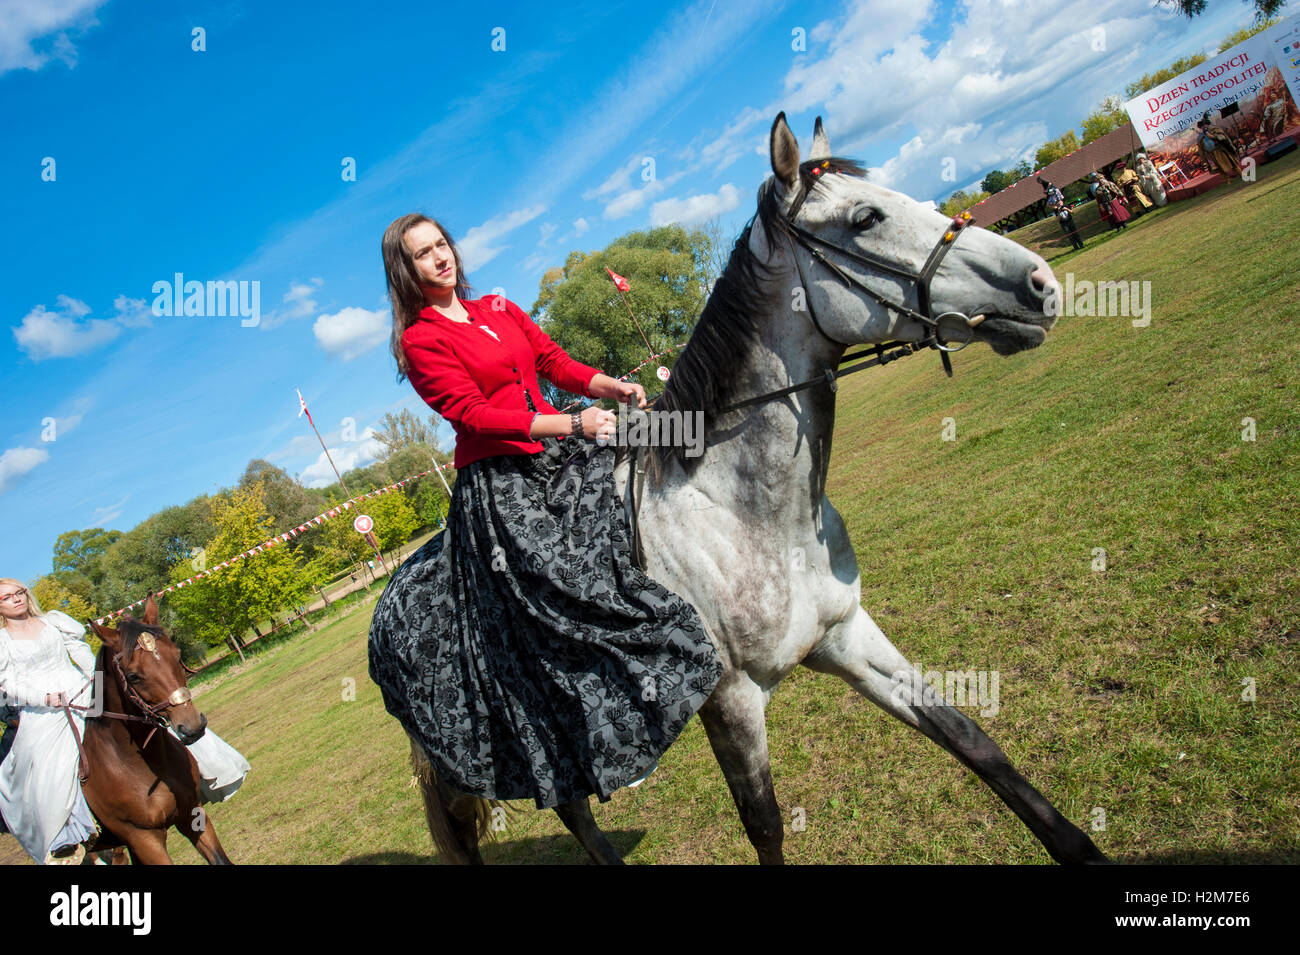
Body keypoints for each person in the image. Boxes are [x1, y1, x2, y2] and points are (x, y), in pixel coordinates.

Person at [368, 214, 724, 811]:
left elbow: (554, 362)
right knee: (564, 583)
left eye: (442, 245)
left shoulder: (499, 309)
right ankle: (608, 724)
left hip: (562, 441)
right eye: (424, 254)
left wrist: (605, 386)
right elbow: (473, 415)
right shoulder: (421, 340)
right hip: (500, 477)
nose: (440, 258)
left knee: (668, 436)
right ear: (407, 271)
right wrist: (572, 422)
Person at [0, 579, 249, 864]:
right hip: (43, 708)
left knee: (146, 723)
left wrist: (95, 681)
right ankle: (64, 836)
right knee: (47, 765)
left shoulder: (54, 622)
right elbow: (6, 683)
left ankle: (200, 774)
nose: (17, 599)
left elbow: (82, 653)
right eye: (7, 597)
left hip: (81, 690)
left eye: (19, 593)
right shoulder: (2, 642)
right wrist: (44, 698)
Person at [1039, 177, 1083, 251]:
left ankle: (1081, 244)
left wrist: (1063, 206)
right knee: (1069, 235)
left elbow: (1061, 199)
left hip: (1067, 216)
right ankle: (1075, 247)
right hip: (1062, 218)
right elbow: (1048, 204)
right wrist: (1056, 207)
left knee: (1075, 232)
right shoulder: (1050, 197)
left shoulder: (1056, 191)